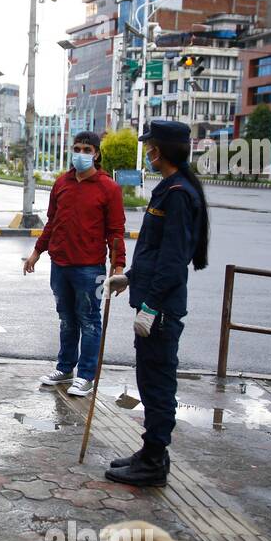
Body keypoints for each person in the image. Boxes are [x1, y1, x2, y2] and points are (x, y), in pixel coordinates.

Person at [105, 119, 210, 486]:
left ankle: (153, 461)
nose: (148, 151)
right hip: (153, 301)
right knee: (149, 380)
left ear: (163, 149)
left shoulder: (179, 193)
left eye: (151, 146)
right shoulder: (168, 188)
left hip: (161, 309)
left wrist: (150, 306)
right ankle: (151, 452)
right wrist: (130, 278)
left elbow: (172, 258)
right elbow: (152, 252)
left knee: (158, 384)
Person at [24, 130, 126, 397]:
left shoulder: (109, 188)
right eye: (77, 149)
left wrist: (118, 269)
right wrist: (37, 252)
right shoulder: (61, 184)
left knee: (90, 321)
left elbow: (115, 233)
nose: (81, 154)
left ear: (97, 154)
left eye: (86, 150)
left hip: (89, 268)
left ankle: (86, 375)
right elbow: (52, 222)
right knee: (67, 320)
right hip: (60, 265)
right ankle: (65, 368)